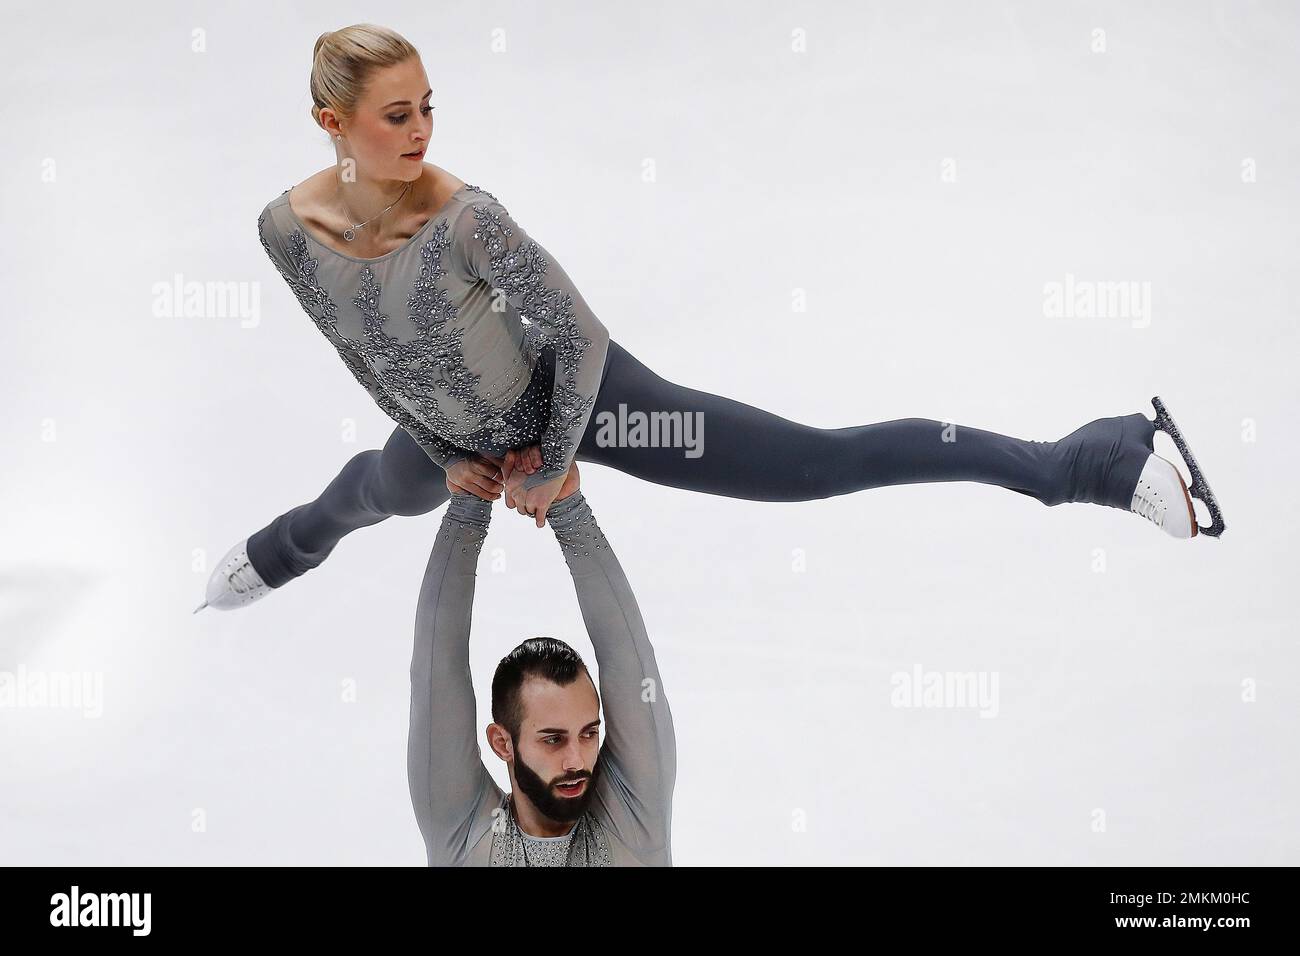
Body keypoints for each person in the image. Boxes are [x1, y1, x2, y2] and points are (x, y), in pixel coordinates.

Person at [195, 23, 1224, 612]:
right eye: (395, 114)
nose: (422, 129)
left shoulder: (469, 217)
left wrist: (551, 459)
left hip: (590, 407)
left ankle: (1080, 459)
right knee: (378, 489)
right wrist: (441, 446)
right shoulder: (284, 231)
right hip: (453, 434)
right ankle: (285, 547)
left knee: (818, 462)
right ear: (332, 124)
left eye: (429, 104)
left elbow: (580, 340)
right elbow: (358, 347)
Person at [411, 463, 674, 865]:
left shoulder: (631, 823)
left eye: (589, 734)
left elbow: (629, 656)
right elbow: (437, 672)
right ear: (503, 743)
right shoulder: (469, 834)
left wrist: (569, 506)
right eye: (552, 739)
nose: (576, 761)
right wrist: (468, 509)